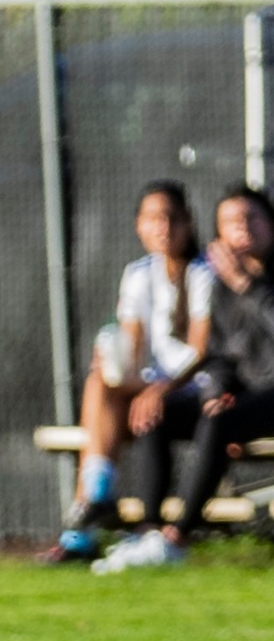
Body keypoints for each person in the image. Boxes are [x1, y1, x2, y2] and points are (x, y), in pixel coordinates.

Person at [99, 185, 274, 571]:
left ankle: (176, 537)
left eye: (252, 219)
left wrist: (250, 286)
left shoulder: (251, 283)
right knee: (155, 412)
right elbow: (219, 356)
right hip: (243, 398)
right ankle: (148, 532)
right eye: (231, 222)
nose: (242, 229)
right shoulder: (221, 286)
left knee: (218, 421)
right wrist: (218, 387)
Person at [46, 181, 213, 563]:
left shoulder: (204, 273)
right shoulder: (138, 274)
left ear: (188, 222)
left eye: (171, 218)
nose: (163, 227)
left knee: (107, 398)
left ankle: (85, 519)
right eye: (154, 218)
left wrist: (157, 390)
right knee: (101, 381)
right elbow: (132, 349)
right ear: (139, 225)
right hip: (153, 388)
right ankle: (96, 499)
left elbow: (201, 353)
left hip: (192, 389)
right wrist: (114, 360)